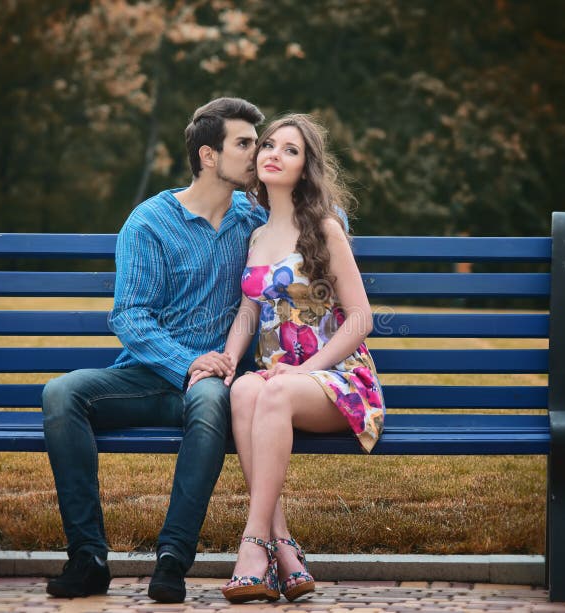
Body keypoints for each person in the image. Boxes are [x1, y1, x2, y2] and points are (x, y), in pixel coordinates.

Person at [40, 97, 267, 601]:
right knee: (62, 394)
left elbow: (323, 212)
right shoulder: (149, 222)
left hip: (217, 383)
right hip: (148, 377)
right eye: (245, 143)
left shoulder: (255, 219)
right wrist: (188, 361)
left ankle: (172, 561)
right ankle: (88, 558)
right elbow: (130, 316)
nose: (258, 152)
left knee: (208, 398)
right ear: (209, 155)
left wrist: (209, 368)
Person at [198, 114, 386, 603]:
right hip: (277, 376)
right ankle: (282, 548)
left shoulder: (322, 228)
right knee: (241, 387)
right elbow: (248, 311)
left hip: (337, 377)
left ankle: (252, 548)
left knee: (273, 389)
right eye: (268, 145)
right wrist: (226, 358)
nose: (273, 154)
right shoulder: (257, 236)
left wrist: (306, 369)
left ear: (306, 168)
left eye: (290, 149)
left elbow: (361, 318)